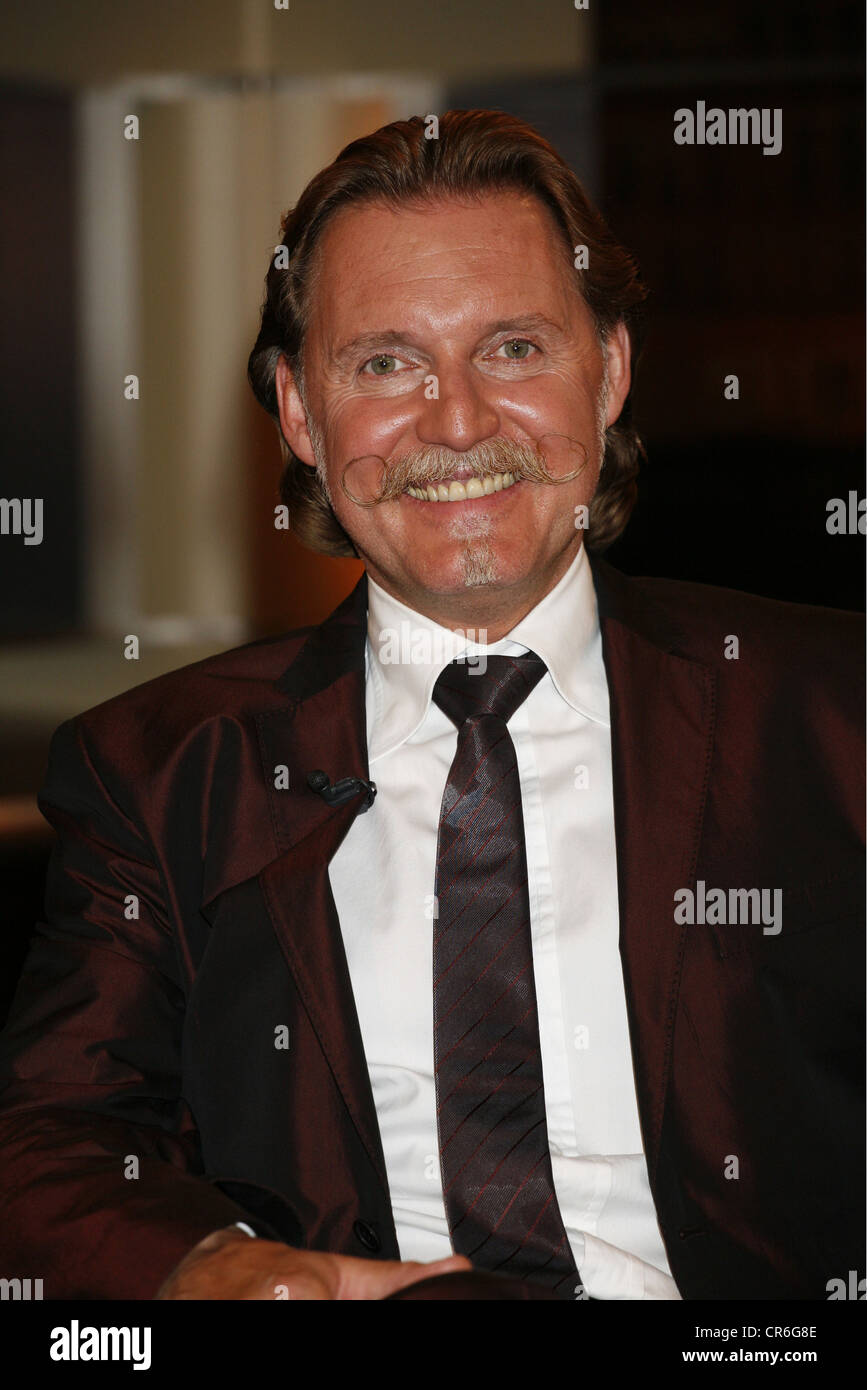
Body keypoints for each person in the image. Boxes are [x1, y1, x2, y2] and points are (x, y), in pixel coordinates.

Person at [0, 110, 862, 1302]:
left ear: (609, 373)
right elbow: (57, 1134)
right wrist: (210, 1268)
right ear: (302, 417)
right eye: (385, 363)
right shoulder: (158, 771)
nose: (456, 422)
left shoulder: (833, 717)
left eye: (513, 349)